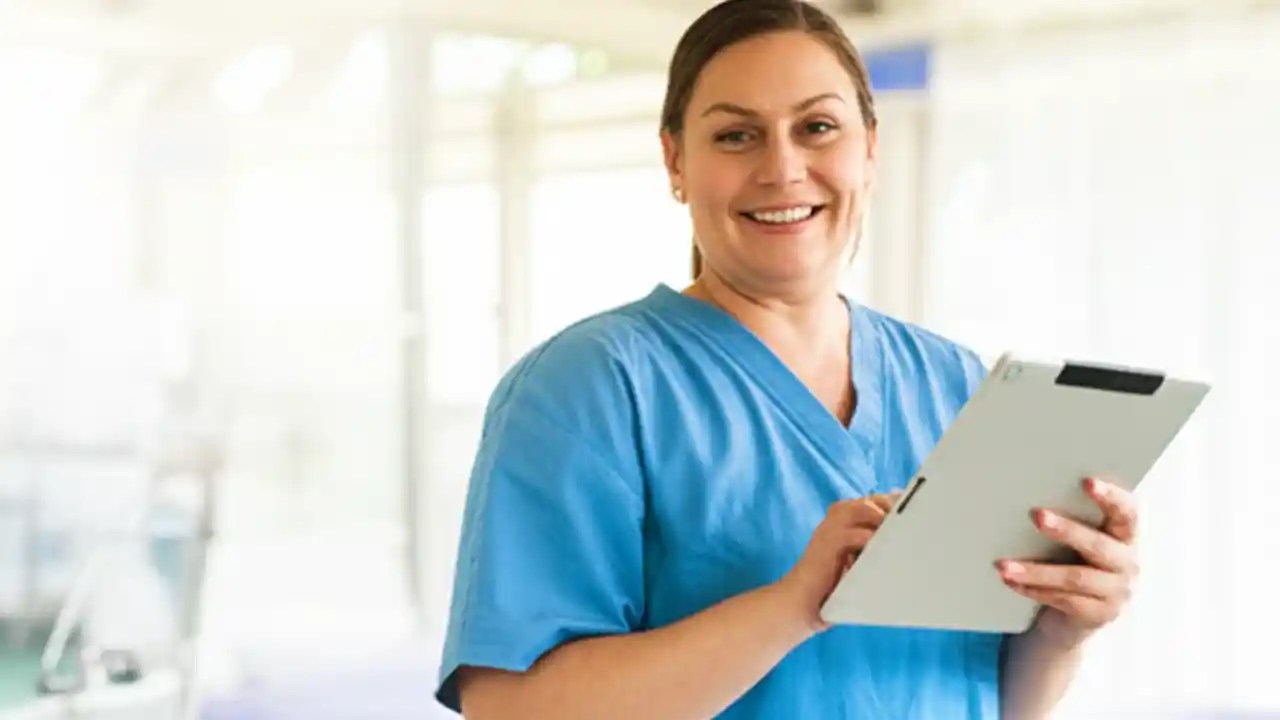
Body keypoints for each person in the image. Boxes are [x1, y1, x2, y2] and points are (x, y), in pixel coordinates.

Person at [435, 1, 1141, 717]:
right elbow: (510, 706)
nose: (782, 167)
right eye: (737, 135)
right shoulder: (588, 388)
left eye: (818, 128)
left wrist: (1059, 633)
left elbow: (977, 696)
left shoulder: (957, 384)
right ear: (676, 161)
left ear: (870, 148)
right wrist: (794, 607)